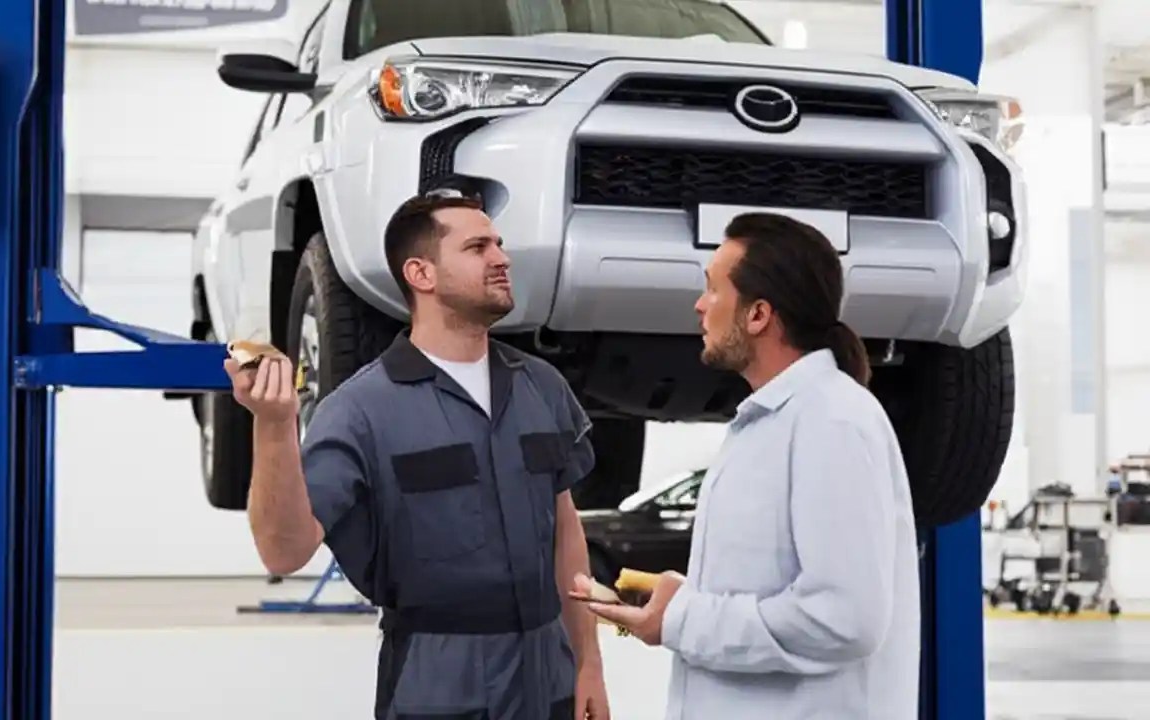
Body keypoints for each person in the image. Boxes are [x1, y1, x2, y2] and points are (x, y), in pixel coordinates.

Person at [225, 185, 611, 720]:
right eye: (478, 248)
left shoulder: (541, 387)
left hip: (547, 679)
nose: (501, 258)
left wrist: (589, 664)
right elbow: (283, 551)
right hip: (435, 683)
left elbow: (565, 530)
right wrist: (273, 428)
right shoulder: (360, 410)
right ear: (421, 274)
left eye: (498, 244)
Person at [579, 212, 921, 719]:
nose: (699, 306)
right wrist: (679, 597)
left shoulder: (832, 420)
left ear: (758, 315)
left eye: (713, 289)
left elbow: (843, 618)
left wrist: (684, 620)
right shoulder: (773, 421)